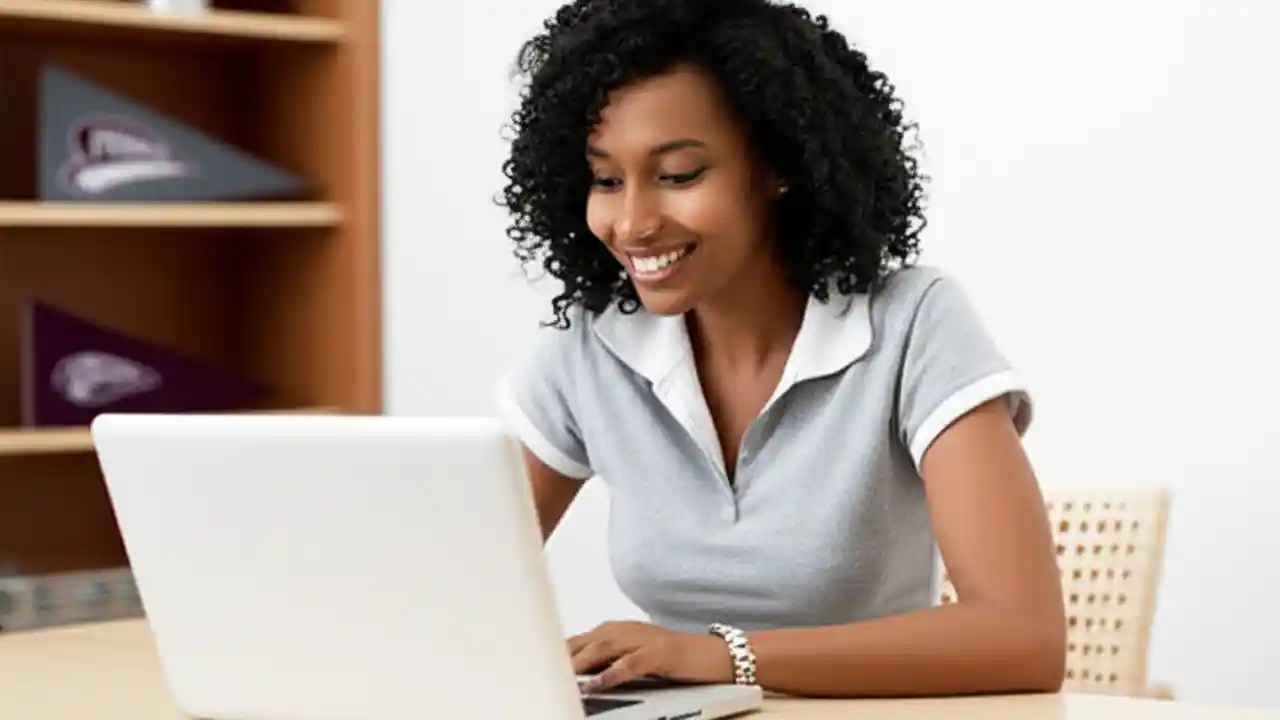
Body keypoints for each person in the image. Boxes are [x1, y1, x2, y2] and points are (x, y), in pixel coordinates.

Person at [494, 0, 1066, 699]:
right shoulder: (593, 349)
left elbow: (1021, 639)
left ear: (778, 167)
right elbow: (445, 585)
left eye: (678, 175)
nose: (634, 222)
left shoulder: (912, 325)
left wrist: (719, 655)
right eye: (607, 181)